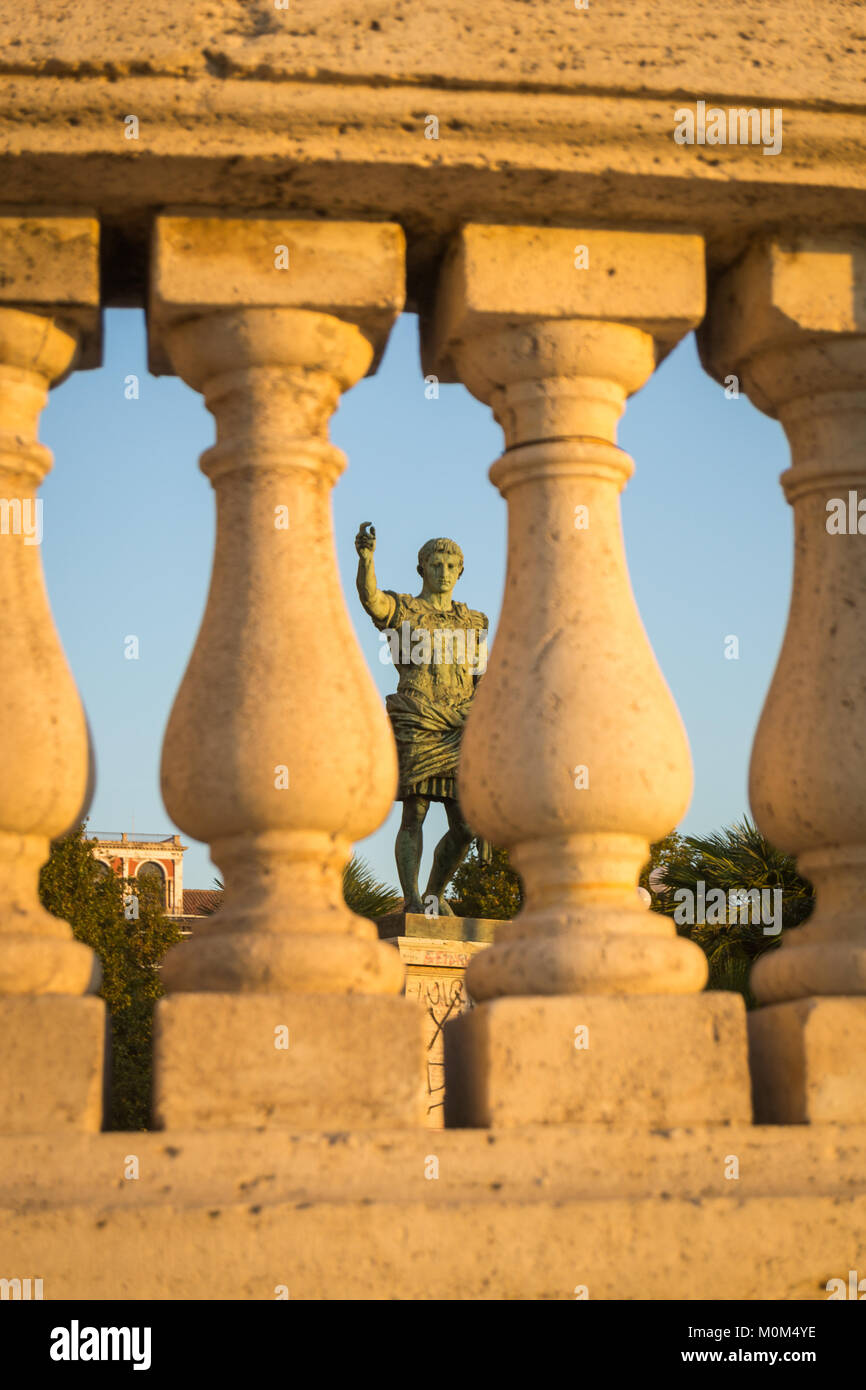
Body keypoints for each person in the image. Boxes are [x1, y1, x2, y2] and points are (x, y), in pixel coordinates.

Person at [355, 522, 489, 915]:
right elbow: (372, 600)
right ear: (422, 569)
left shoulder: (474, 622)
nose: (443, 572)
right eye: (436, 564)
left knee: (466, 826)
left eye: (450, 565)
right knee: (415, 811)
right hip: (418, 717)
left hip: (460, 726)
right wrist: (367, 560)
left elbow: (480, 679)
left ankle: (434, 894)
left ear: (460, 571)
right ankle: (412, 899)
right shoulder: (406, 610)